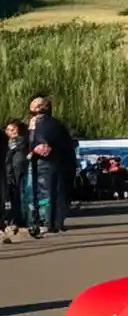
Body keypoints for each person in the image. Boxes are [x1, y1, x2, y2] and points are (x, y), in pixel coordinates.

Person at [28, 96, 74, 234]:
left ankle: (47, 221)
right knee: (50, 191)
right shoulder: (54, 124)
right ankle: (52, 221)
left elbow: (40, 142)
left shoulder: (43, 123)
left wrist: (36, 147)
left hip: (47, 162)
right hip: (51, 162)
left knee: (46, 191)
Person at [3, 120, 29, 240]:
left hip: (18, 169)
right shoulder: (8, 142)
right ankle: (14, 218)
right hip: (11, 171)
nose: (10, 132)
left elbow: (13, 155)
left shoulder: (20, 141)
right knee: (13, 196)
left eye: (13, 129)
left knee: (20, 194)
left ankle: (21, 219)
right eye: (8, 130)